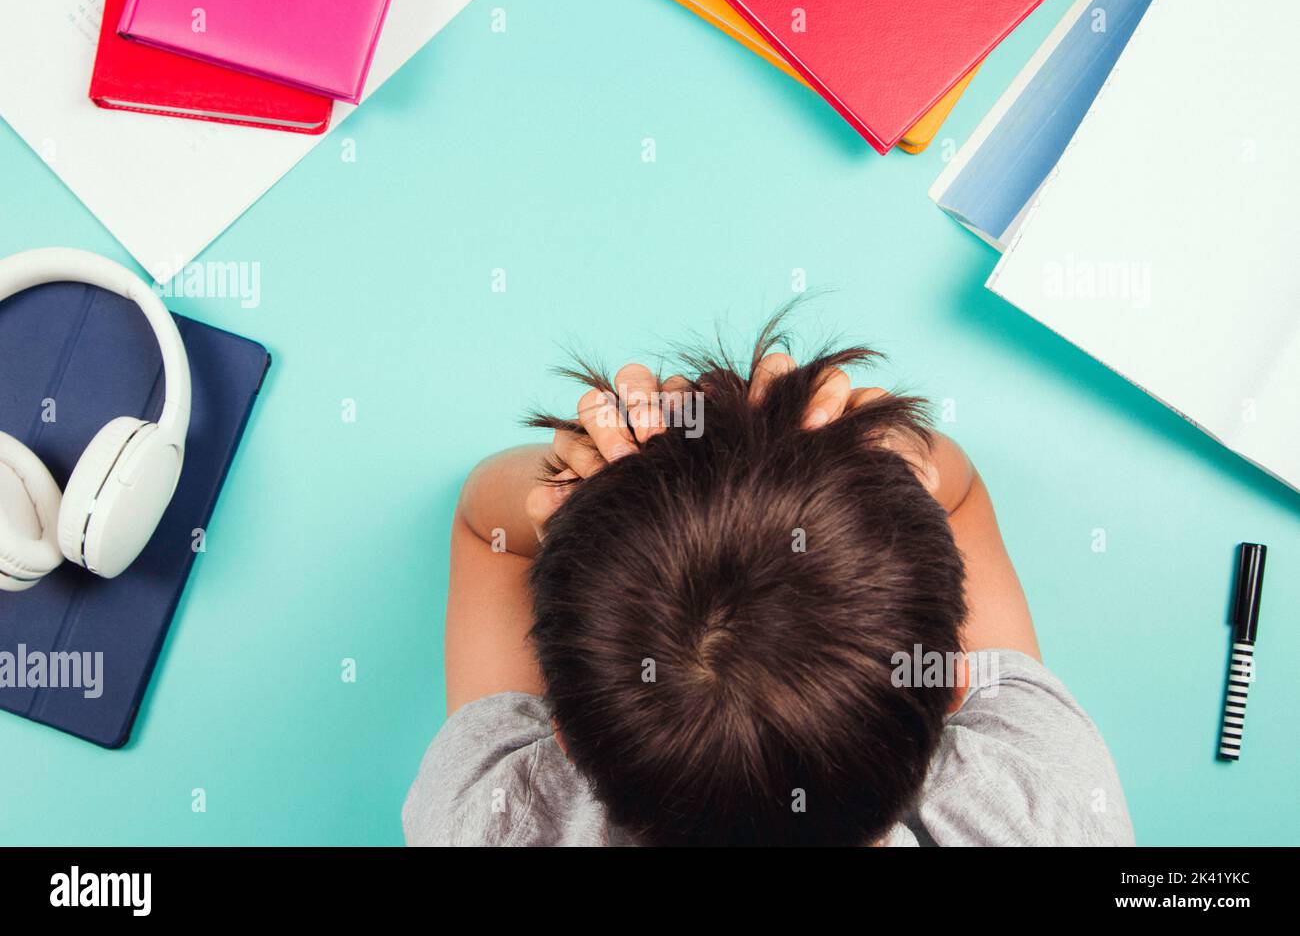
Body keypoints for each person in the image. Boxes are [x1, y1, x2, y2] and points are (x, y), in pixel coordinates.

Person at [403, 314, 1134, 846]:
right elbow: (962, 496)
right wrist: (883, 458)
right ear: (951, 683)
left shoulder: (489, 825)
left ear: (560, 734)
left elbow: (485, 532)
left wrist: (577, 484)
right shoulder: (1051, 815)